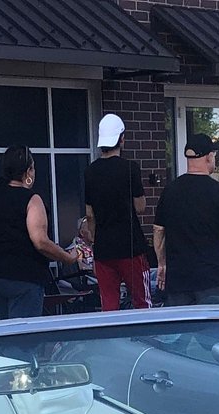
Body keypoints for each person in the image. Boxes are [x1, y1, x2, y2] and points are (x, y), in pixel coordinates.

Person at [0, 145, 81, 320]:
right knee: (23, 339)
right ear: (28, 171)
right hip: (23, 276)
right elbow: (40, 241)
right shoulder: (32, 199)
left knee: (5, 330)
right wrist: (67, 257)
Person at [153, 133, 219, 306]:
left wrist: (162, 263)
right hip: (210, 278)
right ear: (209, 157)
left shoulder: (170, 190)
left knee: (180, 329)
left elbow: (158, 230)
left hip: (178, 279)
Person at [81, 114, 150, 311]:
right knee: (141, 301)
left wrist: (94, 239)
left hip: (104, 247)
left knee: (109, 304)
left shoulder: (90, 171)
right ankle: (144, 339)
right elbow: (140, 206)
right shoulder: (130, 168)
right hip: (130, 246)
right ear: (122, 139)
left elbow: (89, 213)